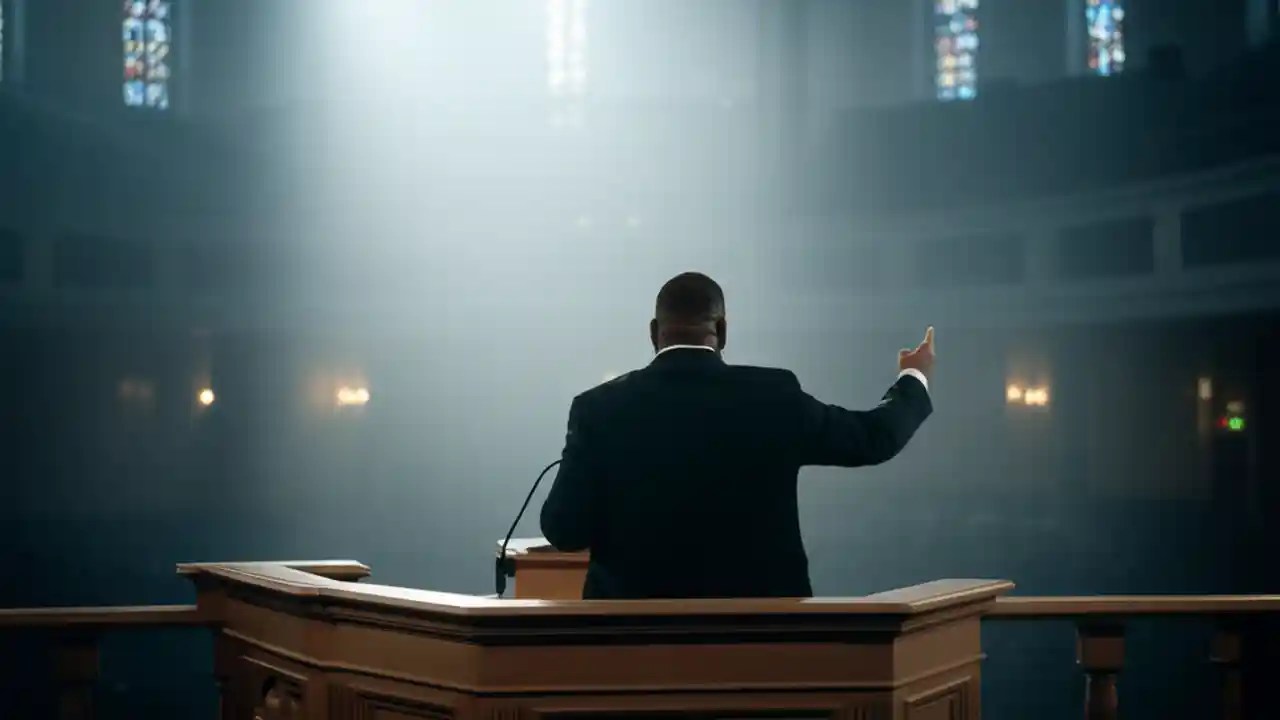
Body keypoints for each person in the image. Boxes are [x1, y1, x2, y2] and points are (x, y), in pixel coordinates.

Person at [539, 271, 934, 599]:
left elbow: (564, 529)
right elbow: (874, 437)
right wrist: (913, 377)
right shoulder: (773, 396)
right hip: (763, 647)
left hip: (630, 653)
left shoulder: (598, 410)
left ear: (654, 332)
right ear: (722, 330)